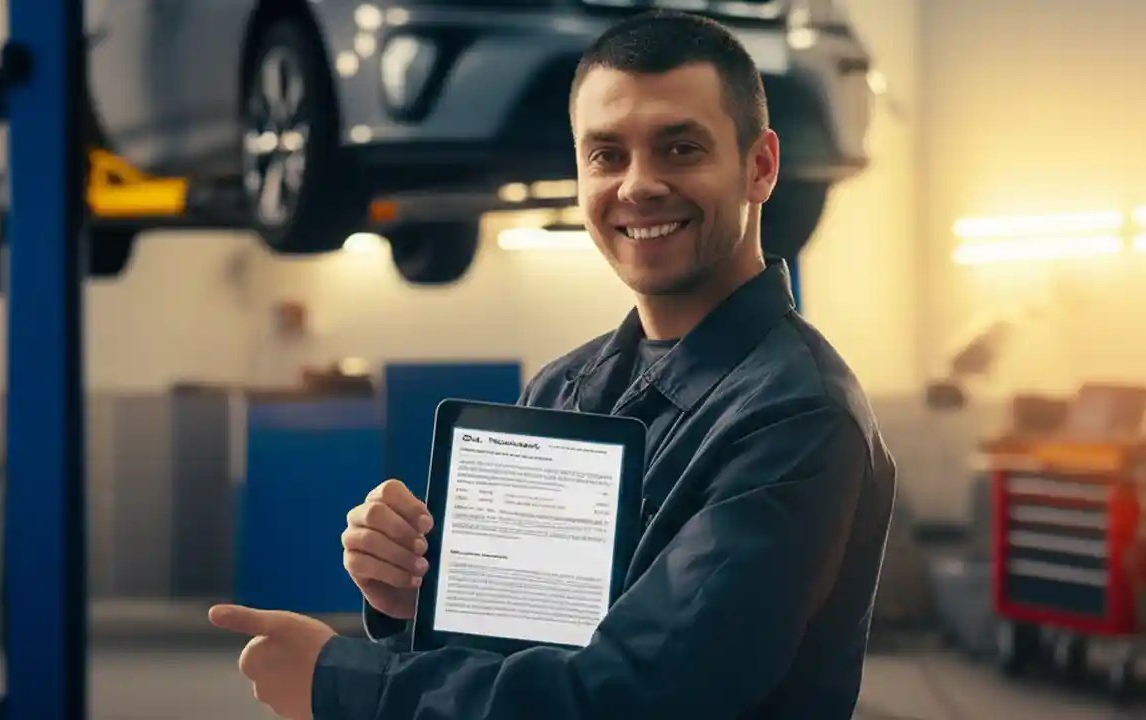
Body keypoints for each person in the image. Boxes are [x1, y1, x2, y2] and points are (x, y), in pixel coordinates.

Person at [208, 9, 896, 719]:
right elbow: (524, 649)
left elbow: (636, 695)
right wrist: (424, 598)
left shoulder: (794, 418)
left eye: (681, 149)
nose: (638, 185)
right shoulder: (567, 386)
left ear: (760, 166)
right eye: (606, 154)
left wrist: (345, 684)